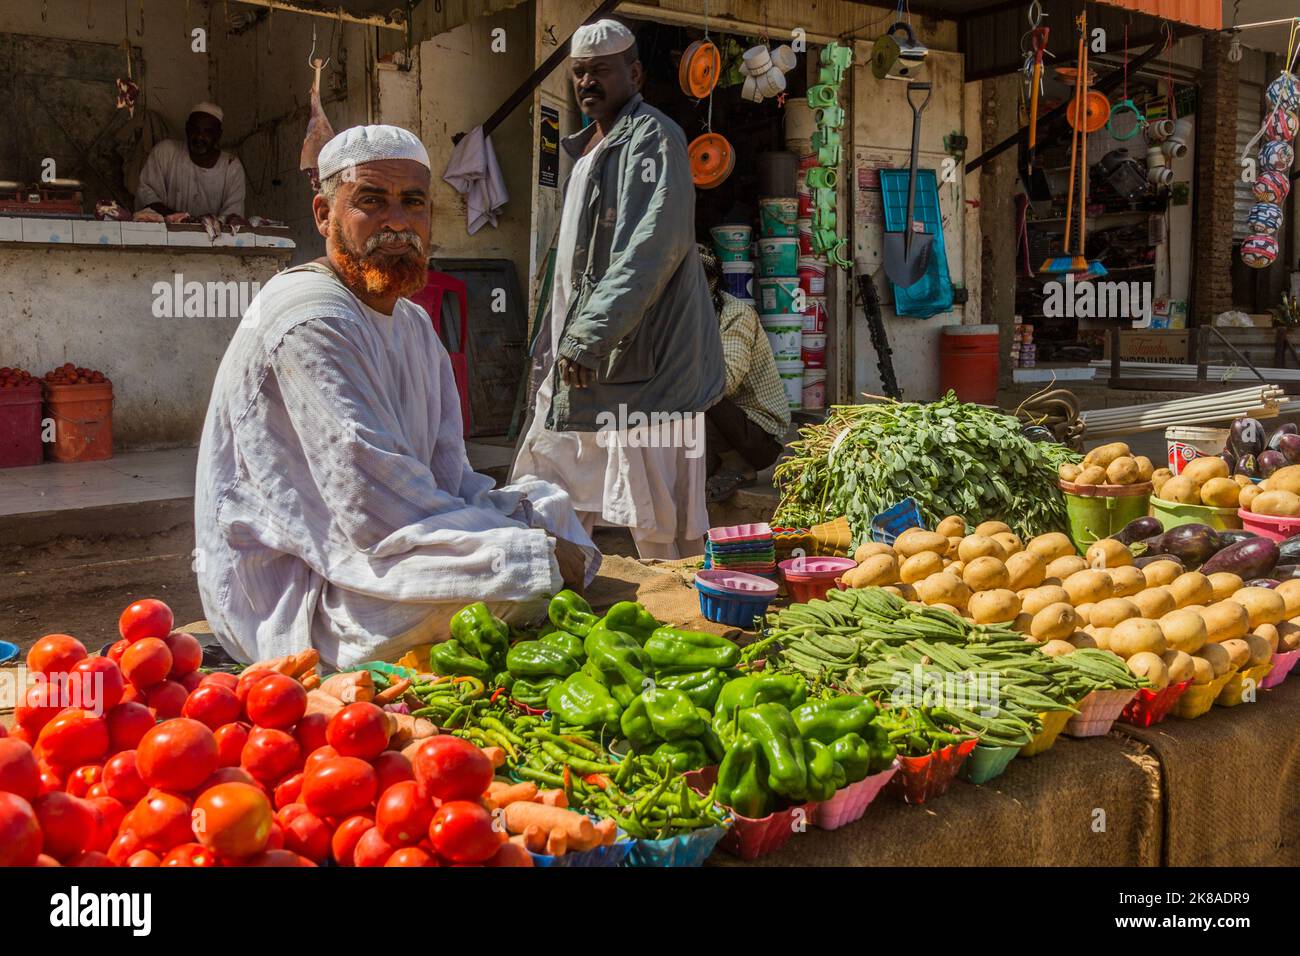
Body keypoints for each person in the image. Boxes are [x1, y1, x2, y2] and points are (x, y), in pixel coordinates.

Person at [195, 124, 599, 670]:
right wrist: (529, 550)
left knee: (546, 505)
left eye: (414, 204)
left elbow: (449, 477)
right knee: (515, 569)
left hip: (384, 543)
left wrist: (520, 531)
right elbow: (373, 506)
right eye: (371, 202)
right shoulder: (308, 319)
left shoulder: (410, 323)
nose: (398, 223)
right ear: (323, 214)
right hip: (303, 583)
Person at [511, 18, 725, 560]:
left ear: (634, 73)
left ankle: (684, 615)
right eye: (579, 74)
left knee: (661, 519)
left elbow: (653, 244)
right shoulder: (591, 148)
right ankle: (557, 582)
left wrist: (590, 334)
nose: (587, 84)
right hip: (591, 355)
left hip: (640, 359)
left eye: (600, 72)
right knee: (550, 475)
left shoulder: (653, 136)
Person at [697, 245, 790, 502]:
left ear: (710, 282)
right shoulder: (680, 317)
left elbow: (724, 381)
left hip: (756, 435)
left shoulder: (735, 313)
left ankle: (736, 463)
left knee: (694, 388)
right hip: (716, 429)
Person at [135, 102, 247, 220]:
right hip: (165, 234)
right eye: (195, 129)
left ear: (218, 135)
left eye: (208, 131)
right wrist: (180, 218)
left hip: (212, 237)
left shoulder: (231, 166)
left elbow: (233, 215)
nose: (200, 136)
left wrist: (204, 226)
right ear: (187, 128)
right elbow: (146, 195)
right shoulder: (165, 152)